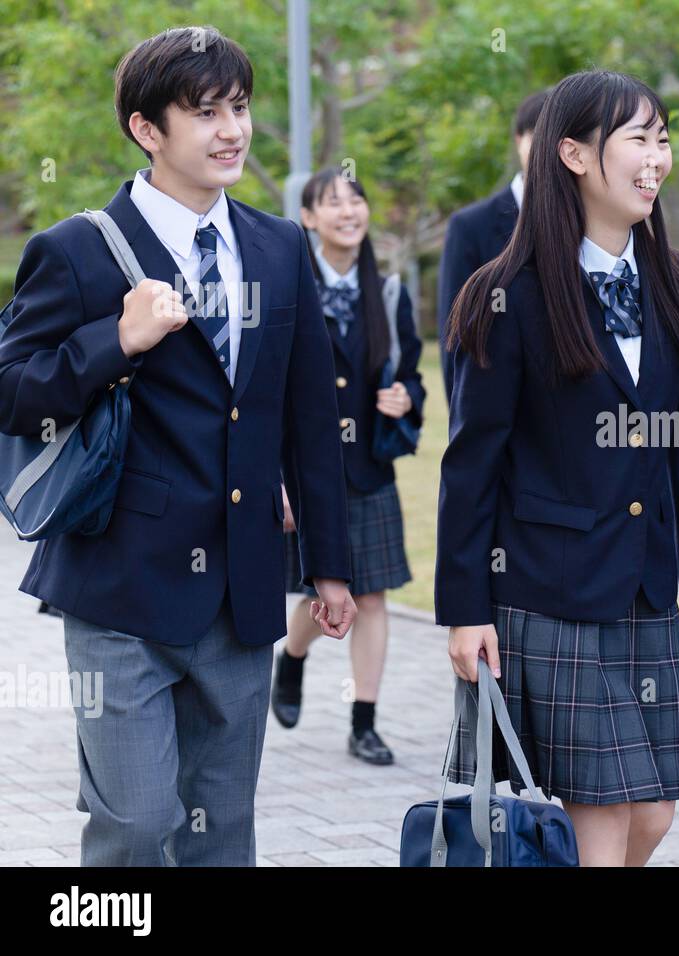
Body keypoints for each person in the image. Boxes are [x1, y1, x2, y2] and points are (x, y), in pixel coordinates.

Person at [0, 26, 356, 866]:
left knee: (221, 829)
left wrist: (331, 564)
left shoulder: (278, 245)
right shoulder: (80, 249)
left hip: (240, 590)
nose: (233, 129)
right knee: (132, 822)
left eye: (239, 107)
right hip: (117, 585)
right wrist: (112, 344)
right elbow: (12, 390)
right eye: (205, 112)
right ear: (146, 130)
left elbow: (309, 420)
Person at [436, 70, 679, 867]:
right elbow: (470, 466)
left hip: (643, 588)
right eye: (637, 137)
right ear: (571, 153)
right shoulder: (506, 295)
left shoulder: (677, 281)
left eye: (663, 138)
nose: (656, 157)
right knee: (599, 820)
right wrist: (464, 611)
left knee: (655, 813)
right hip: (547, 586)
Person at [273, 166, 425, 766]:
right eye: (331, 203)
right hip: (306, 469)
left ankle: (364, 721)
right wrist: (278, 477)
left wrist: (404, 395)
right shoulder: (287, 287)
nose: (348, 211)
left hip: (368, 467)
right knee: (319, 591)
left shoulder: (388, 293)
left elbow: (410, 371)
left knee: (373, 597)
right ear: (309, 218)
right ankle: (294, 655)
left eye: (356, 201)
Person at [436, 88, 548, 403]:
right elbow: (454, 334)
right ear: (518, 139)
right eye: (538, 135)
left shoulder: (593, 221)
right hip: (498, 404)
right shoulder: (471, 226)